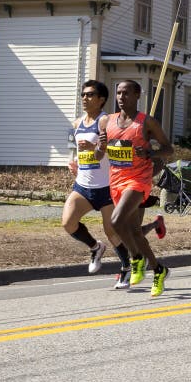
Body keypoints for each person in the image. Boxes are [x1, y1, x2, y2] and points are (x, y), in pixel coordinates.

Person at [64, 80, 139, 289]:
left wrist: (96, 146)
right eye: (83, 95)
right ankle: (95, 248)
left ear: (101, 99)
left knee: (112, 230)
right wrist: (76, 162)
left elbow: (116, 147)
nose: (85, 99)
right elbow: (78, 149)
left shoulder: (106, 121)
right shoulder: (78, 123)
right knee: (68, 223)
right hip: (83, 185)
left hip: (106, 185)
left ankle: (126, 267)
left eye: (89, 95)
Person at [106, 80, 173, 296]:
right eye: (118, 93)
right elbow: (101, 151)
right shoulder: (108, 121)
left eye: (126, 93)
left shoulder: (147, 122)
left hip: (138, 180)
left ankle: (135, 259)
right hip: (116, 180)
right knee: (135, 232)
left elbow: (168, 149)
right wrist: (96, 146)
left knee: (116, 221)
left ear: (137, 95)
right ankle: (158, 270)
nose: (121, 97)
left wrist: (150, 154)